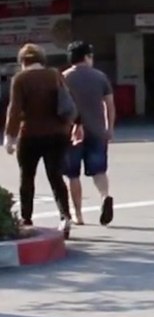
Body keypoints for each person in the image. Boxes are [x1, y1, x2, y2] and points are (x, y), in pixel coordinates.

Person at [3, 43, 76, 237]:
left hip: (30, 135)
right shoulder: (54, 75)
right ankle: (65, 217)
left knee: (27, 177)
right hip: (58, 134)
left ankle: (27, 219)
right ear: (41, 59)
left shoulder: (20, 79)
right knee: (56, 177)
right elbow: (67, 101)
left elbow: (15, 110)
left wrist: (9, 138)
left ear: (23, 61)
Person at [61, 41, 116, 226]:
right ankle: (105, 196)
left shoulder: (63, 78)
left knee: (72, 175)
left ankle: (78, 214)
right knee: (99, 170)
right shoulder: (100, 77)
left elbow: (59, 106)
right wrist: (109, 128)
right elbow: (109, 105)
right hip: (98, 132)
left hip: (71, 134)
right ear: (86, 57)